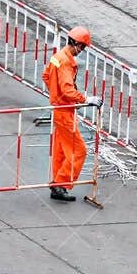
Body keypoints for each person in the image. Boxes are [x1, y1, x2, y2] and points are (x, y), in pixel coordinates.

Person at [42, 26, 99, 201]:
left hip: (59, 109)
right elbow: (67, 90)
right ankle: (61, 183)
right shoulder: (66, 62)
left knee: (61, 151)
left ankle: (57, 185)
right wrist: (85, 99)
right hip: (64, 111)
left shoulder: (57, 57)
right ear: (78, 45)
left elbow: (46, 76)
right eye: (82, 47)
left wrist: (55, 95)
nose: (81, 51)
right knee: (78, 151)